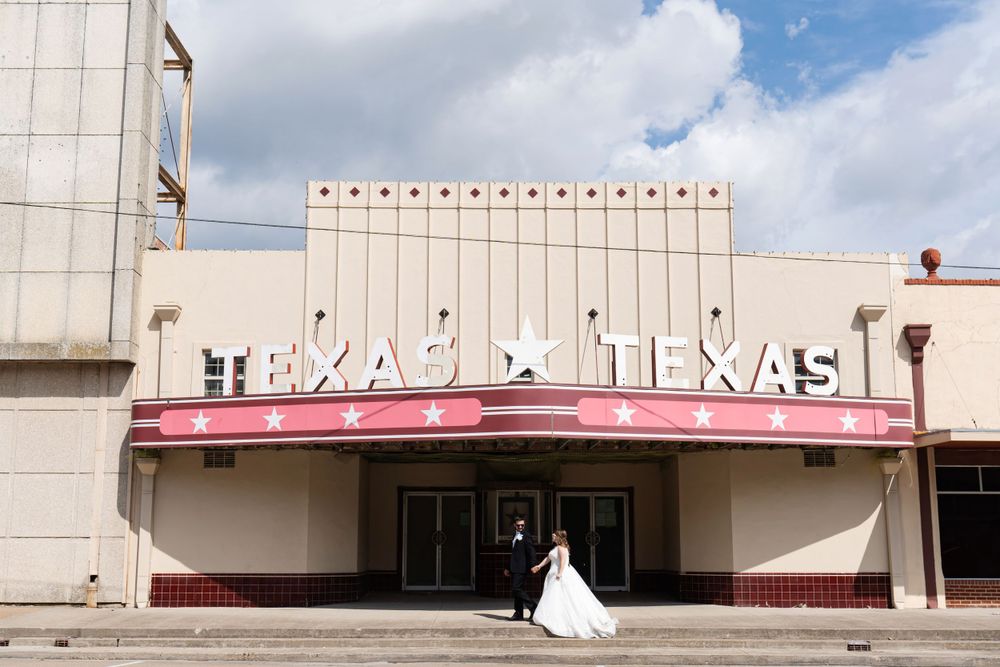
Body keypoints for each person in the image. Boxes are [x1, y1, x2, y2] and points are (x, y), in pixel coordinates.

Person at [530, 529, 618, 638]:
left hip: (560, 574)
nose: (552, 537)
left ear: (558, 537)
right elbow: (548, 558)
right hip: (553, 573)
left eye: (554, 536)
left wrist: (560, 573)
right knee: (555, 597)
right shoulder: (556, 548)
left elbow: (562, 562)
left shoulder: (561, 548)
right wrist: (539, 566)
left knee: (560, 596)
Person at [503, 515, 537, 621]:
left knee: (516, 588)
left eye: (522, 525)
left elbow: (531, 551)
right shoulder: (514, 535)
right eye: (518, 525)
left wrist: (533, 565)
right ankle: (518, 613)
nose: (521, 527)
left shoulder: (526, 536)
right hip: (514, 567)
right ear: (514, 525)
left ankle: (533, 607)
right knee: (517, 590)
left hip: (522, 567)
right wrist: (507, 568)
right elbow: (512, 553)